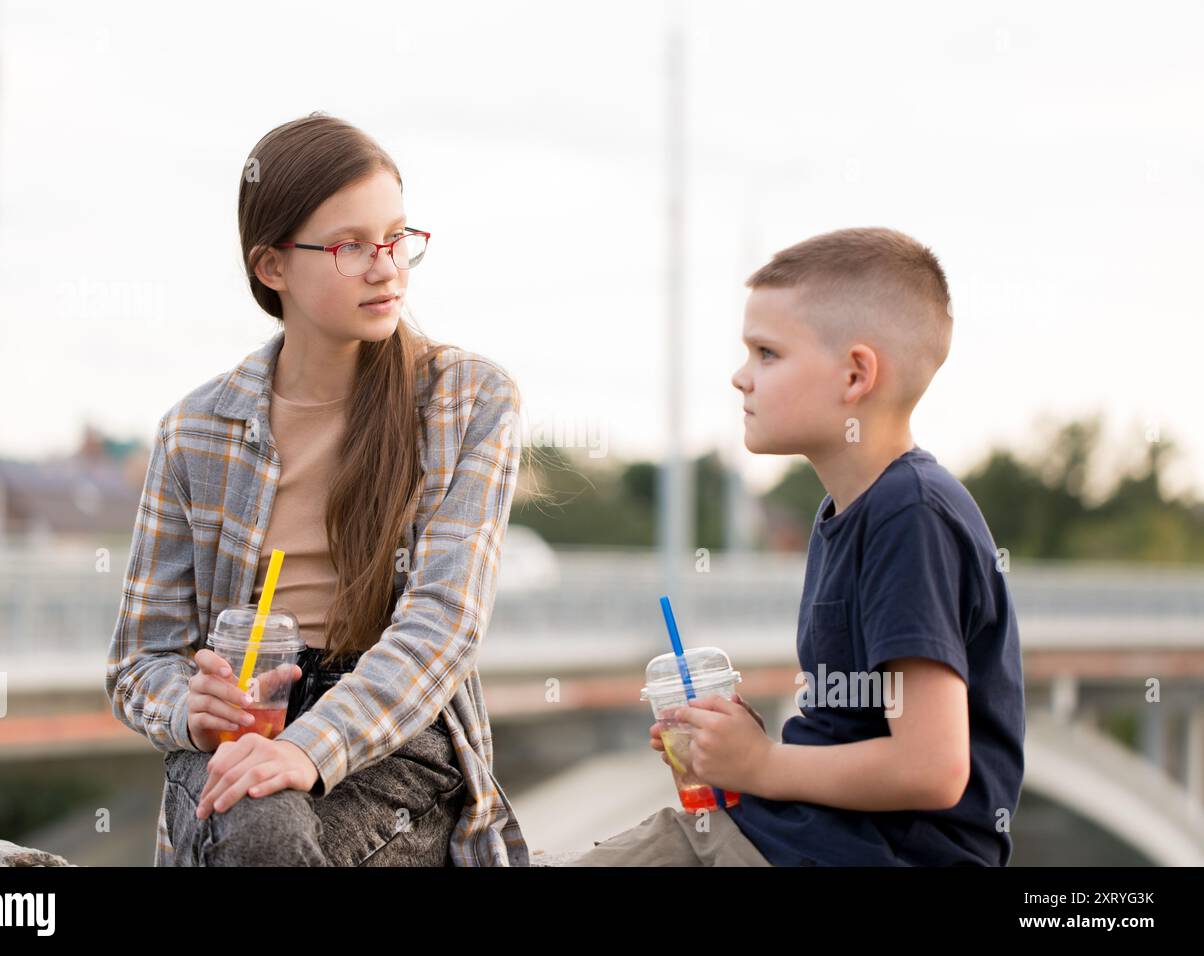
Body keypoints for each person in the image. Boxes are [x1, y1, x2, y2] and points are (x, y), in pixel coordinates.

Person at [105, 112, 530, 866]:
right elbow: (141, 662)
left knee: (263, 831)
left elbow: (443, 624)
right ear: (272, 268)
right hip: (245, 715)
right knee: (257, 823)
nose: (387, 267)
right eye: (350, 246)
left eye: (398, 238)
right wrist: (190, 708)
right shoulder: (196, 430)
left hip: (393, 732)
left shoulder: (467, 399)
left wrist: (309, 746)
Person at [573, 227, 1025, 866]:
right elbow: (854, 731)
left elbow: (931, 768)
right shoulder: (848, 511)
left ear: (855, 374)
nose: (740, 377)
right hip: (801, 839)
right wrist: (736, 748)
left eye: (766, 353)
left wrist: (763, 764)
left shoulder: (911, 515)